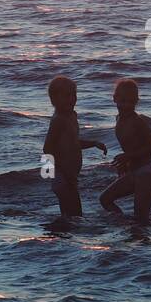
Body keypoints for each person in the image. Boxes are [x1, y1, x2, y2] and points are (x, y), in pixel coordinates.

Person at [43, 75, 107, 216]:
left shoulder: (72, 116)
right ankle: (62, 235)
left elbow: (73, 143)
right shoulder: (58, 120)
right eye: (66, 96)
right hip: (62, 175)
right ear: (54, 100)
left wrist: (93, 143)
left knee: (74, 214)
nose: (72, 99)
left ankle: (65, 235)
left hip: (70, 175)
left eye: (74, 95)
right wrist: (54, 173)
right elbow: (47, 148)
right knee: (73, 214)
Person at [99, 79, 151, 222]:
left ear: (137, 101)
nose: (127, 105)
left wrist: (128, 156)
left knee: (141, 219)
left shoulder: (137, 121)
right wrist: (125, 164)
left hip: (147, 173)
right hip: (134, 172)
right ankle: (122, 226)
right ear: (114, 98)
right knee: (105, 199)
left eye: (131, 102)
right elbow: (132, 146)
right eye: (123, 101)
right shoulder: (119, 118)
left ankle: (143, 241)